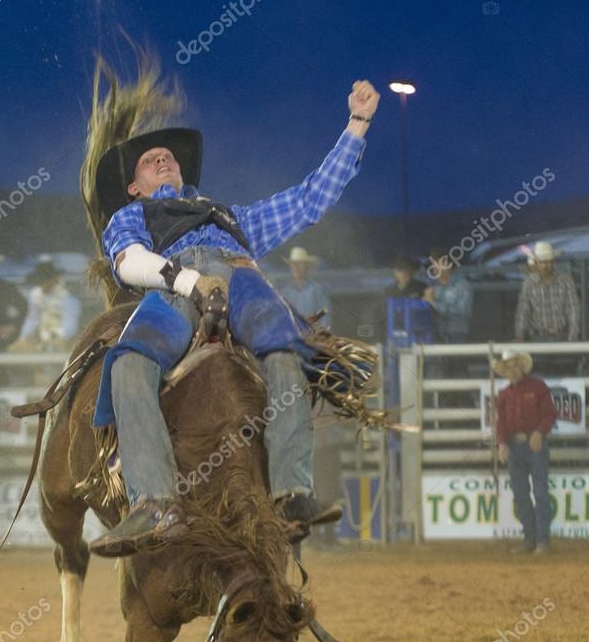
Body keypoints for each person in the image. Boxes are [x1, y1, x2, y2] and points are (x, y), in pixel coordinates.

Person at [88, 79, 380, 556]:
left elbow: (309, 200)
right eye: (149, 160)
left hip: (241, 278)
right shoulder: (130, 217)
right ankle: (157, 503)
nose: (163, 159)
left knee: (283, 346)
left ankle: (290, 494)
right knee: (128, 362)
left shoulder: (231, 218)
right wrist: (191, 283)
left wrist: (357, 124)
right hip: (173, 284)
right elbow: (128, 263)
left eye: (168, 157)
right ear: (134, 187)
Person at [494, 348, 556, 555]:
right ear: (505, 371)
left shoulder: (538, 387)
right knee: (520, 494)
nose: (512, 370)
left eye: (514, 366)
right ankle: (530, 539)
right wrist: (502, 443)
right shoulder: (503, 395)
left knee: (540, 493)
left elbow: (549, 415)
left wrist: (539, 432)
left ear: (522, 366)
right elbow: (501, 422)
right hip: (514, 446)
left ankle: (542, 541)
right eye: (508, 368)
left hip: (535, 444)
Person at [515, 241, 580, 342]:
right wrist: (520, 336)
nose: (546, 265)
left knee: (565, 358)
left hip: (562, 336)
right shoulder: (529, 283)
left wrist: (572, 337)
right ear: (536, 263)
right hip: (538, 337)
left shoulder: (566, 281)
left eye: (548, 261)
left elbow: (573, 311)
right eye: (542, 262)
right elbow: (523, 312)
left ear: (553, 262)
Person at [9, 259, 82, 351]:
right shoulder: (35, 294)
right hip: (41, 336)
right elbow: (32, 319)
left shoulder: (68, 299)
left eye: (44, 281)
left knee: (59, 346)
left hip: (62, 338)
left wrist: (54, 337)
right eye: (40, 281)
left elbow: (71, 326)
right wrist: (23, 338)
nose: (42, 284)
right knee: (17, 348)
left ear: (55, 280)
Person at [423, 249, 472, 343]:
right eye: (433, 266)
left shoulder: (462, 285)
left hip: (457, 334)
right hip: (436, 335)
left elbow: (462, 311)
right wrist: (424, 301)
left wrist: (433, 302)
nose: (436, 268)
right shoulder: (432, 288)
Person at [279, 246, 332, 322]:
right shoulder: (285, 292)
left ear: (307, 266)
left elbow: (325, 314)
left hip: (313, 331)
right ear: (290, 267)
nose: (296, 267)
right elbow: (283, 317)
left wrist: (312, 328)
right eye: (293, 264)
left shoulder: (317, 290)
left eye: (300, 264)